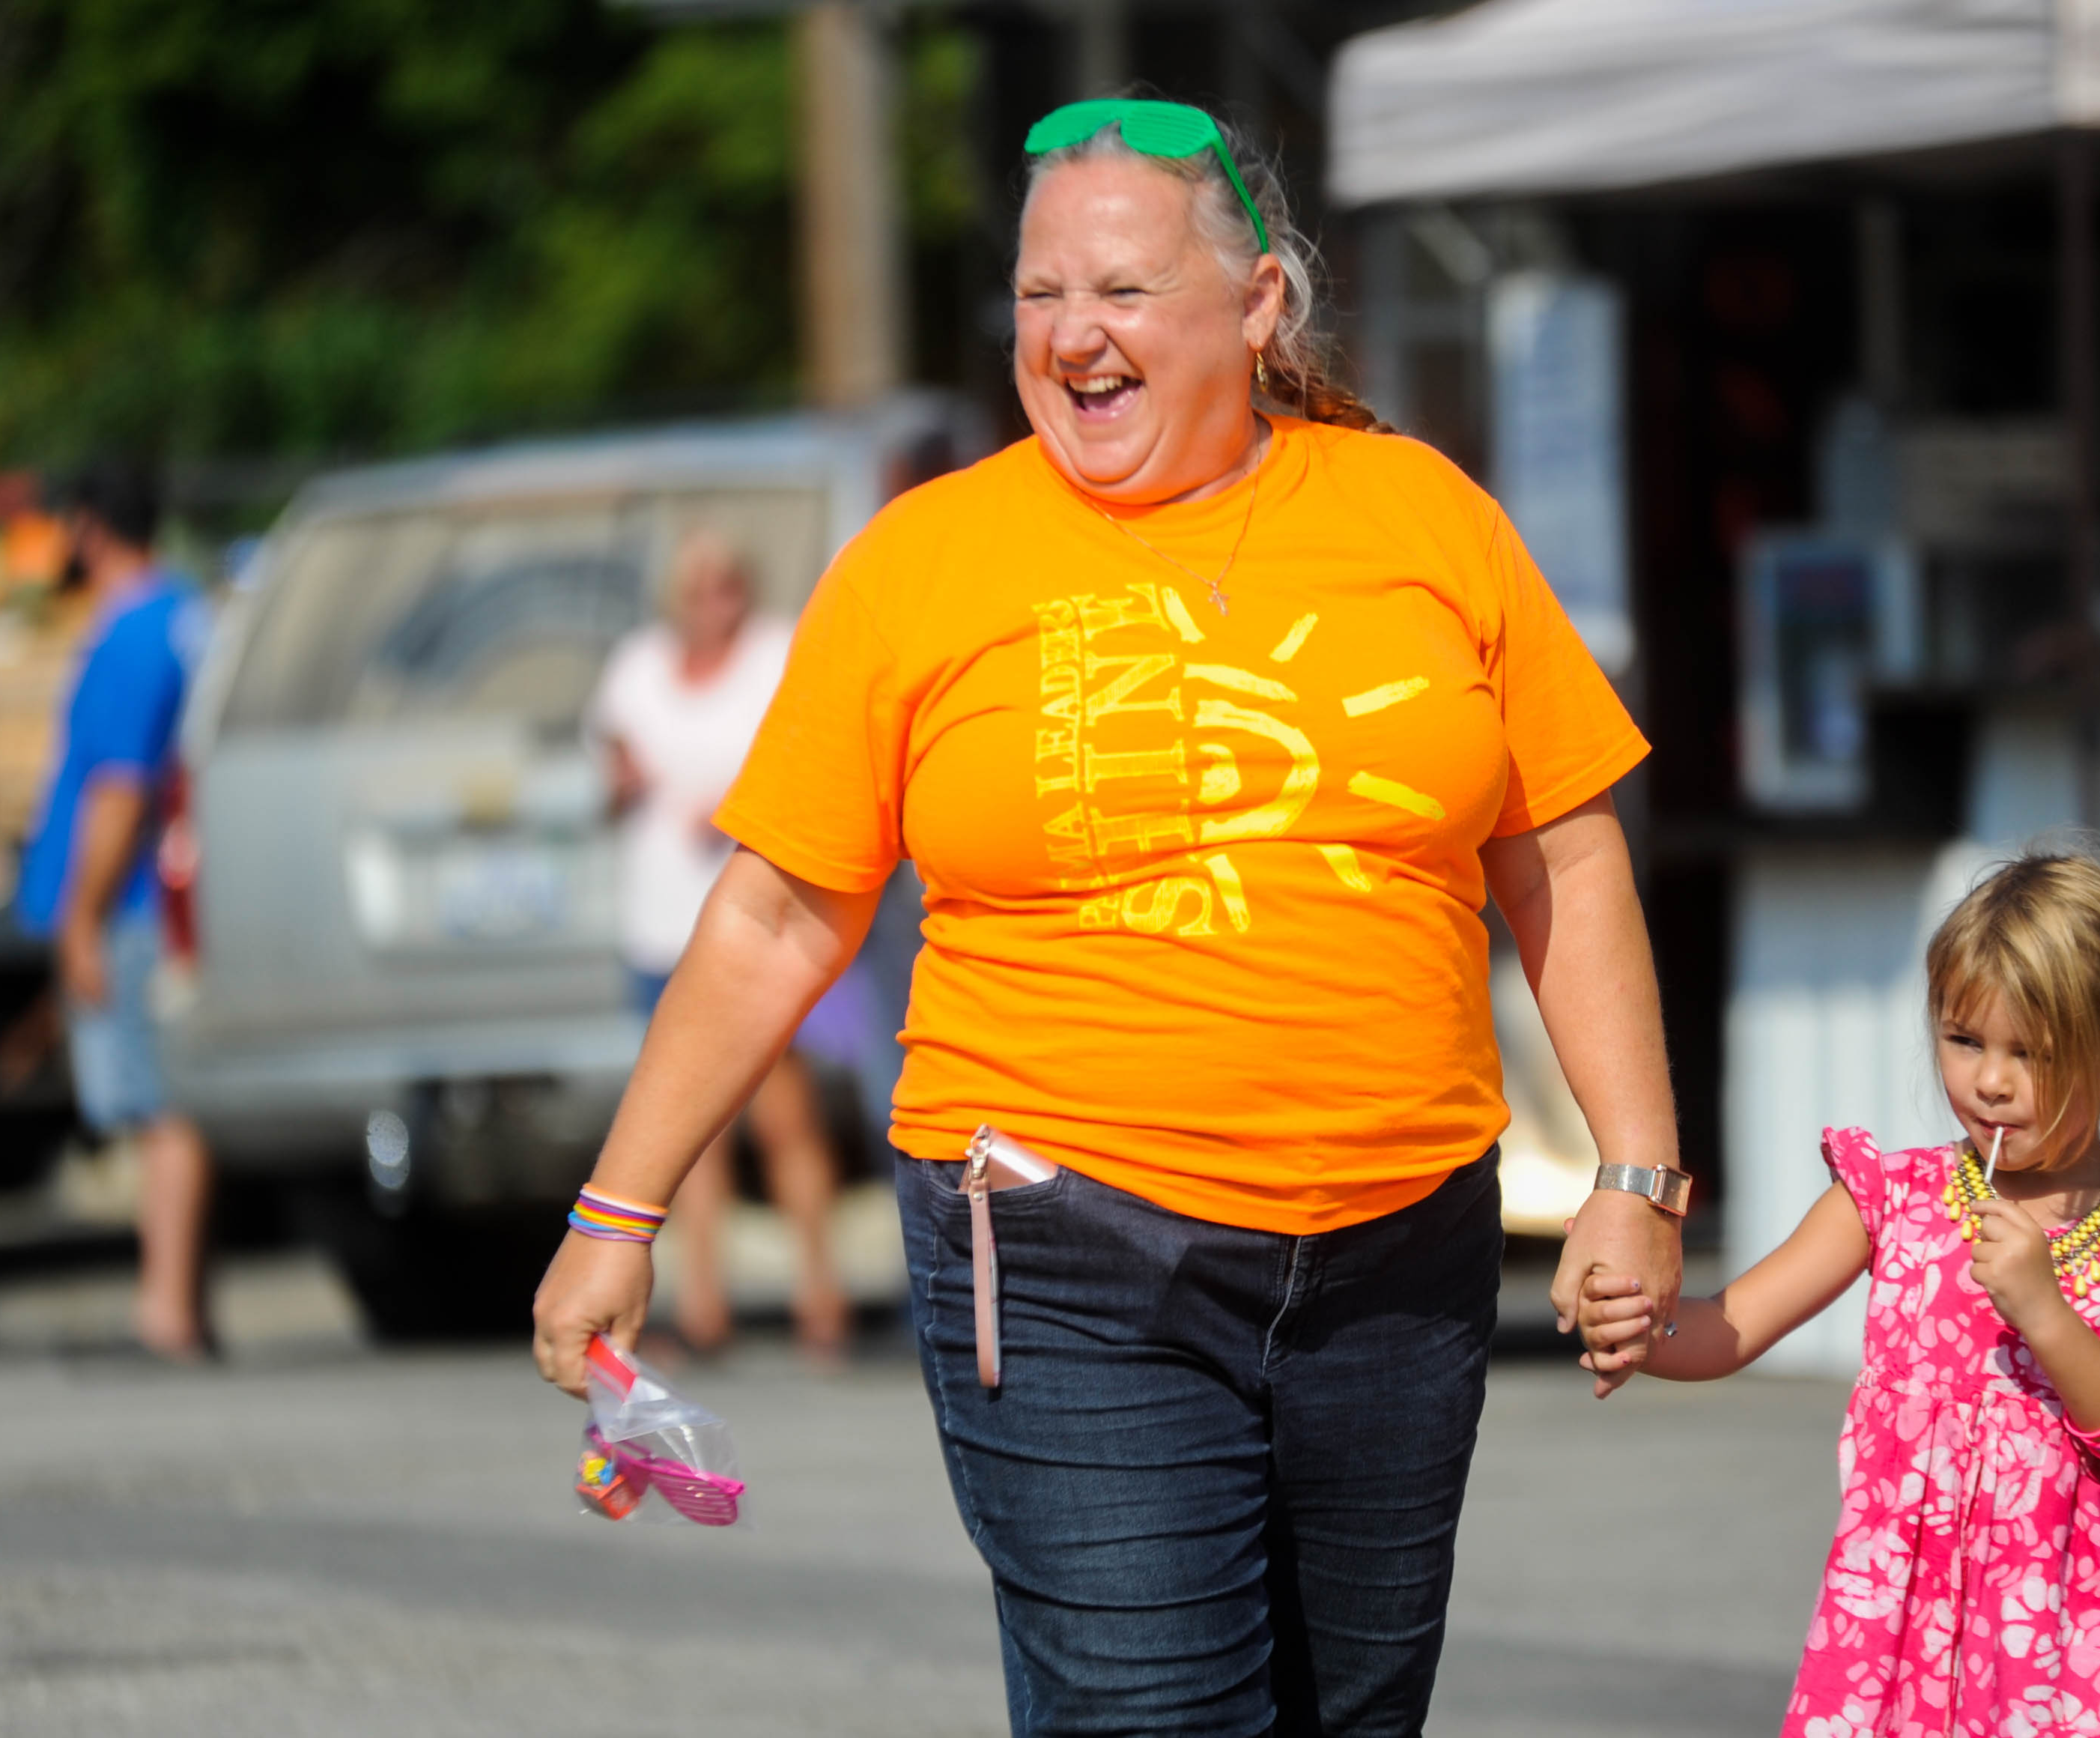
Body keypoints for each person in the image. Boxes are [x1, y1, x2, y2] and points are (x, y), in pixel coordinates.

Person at [534, 94, 1688, 1736]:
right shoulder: (925, 561)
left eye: (1123, 290)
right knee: (1152, 1713)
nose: (1072, 334)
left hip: (1402, 1252)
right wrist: (618, 1208)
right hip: (1064, 1240)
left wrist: (1635, 1173)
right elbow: (775, 913)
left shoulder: (1423, 514)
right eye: (1038, 292)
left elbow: (1562, 851)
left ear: (1257, 304)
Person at [1582, 852, 2100, 1738]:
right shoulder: (1892, 1198)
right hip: (1904, 1628)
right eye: (1965, 1040)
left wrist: (2044, 1313)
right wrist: (1636, 1326)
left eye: (2032, 1053)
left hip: (2081, 1646)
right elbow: (1731, 1325)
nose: (1990, 1079)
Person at [585, 529, 848, 1355]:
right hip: (662, 924)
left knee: (783, 1118)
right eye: (699, 586)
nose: (713, 600)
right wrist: (624, 783)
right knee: (689, 1131)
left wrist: (736, 807)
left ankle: (820, 1295)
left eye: (726, 582)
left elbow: (813, 757)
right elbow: (609, 779)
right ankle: (704, 1305)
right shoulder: (636, 668)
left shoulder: (774, 654)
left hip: (759, 923)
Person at [17, 463, 212, 1361]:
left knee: (159, 1105)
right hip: (161, 897)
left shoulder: (131, 635)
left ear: (88, 527)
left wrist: (81, 917)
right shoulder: (183, 614)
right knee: (164, 1101)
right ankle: (176, 1301)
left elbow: (121, 789)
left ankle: (165, 1309)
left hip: (132, 904)